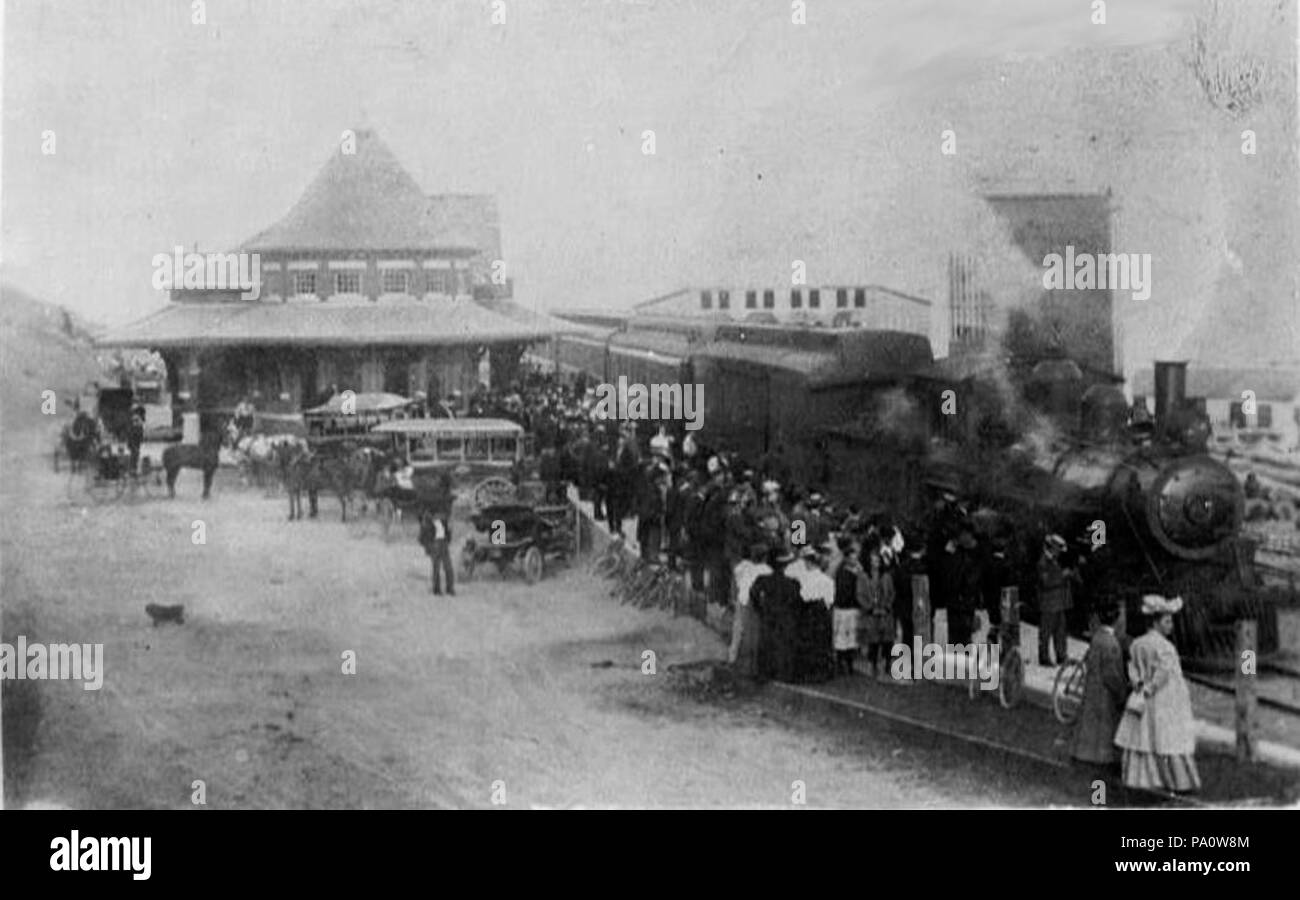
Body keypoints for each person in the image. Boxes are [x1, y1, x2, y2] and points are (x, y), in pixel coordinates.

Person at [1113, 595, 1201, 793]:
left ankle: (1141, 778)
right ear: (1156, 622)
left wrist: (1140, 686)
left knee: (1144, 736)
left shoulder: (1137, 644)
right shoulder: (1166, 648)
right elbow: (1164, 673)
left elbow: (1132, 669)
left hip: (1143, 696)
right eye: (1167, 621)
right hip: (1165, 697)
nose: (1171, 625)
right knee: (1167, 738)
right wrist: (1152, 687)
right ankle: (1176, 780)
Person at [1071, 601, 1128, 769]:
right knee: (1103, 733)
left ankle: (1085, 753)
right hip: (1105, 698)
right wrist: (1121, 694)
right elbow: (1112, 676)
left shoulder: (1097, 638)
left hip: (1092, 692)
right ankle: (1099, 782)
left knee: (1089, 726)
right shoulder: (1112, 644)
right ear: (1116, 619)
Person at [751, 548, 802, 683]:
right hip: (785, 617)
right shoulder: (793, 583)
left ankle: (765, 673)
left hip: (768, 616)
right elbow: (797, 601)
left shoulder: (762, 580)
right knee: (784, 646)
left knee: (767, 644)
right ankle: (783, 674)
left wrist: (761, 610)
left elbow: (754, 595)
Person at [729, 542, 771, 677]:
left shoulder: (742, 568)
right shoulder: (767, 570)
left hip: (742, 601)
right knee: (755, 635)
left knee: (738, 631)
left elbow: (736, 584)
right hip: (754, 603)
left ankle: (732, 657)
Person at [1037, 534, 1079, 666]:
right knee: (1046, 631)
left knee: (1060, 630)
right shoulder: (1043, 562)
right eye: (1058, 549)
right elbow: (1046, 582)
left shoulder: (1054, 561)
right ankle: (1044, 657)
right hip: (1049, 603)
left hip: (1058, 602)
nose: (1060, 552)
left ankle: (1061, 655)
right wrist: (1063, 575)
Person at [857, 546, 896, 680]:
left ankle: (887, 664)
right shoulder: (863, 576)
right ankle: (873, 665)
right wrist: (869, 608)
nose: (875, 563)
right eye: (873, 561)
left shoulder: (886, 576)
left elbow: (891, 593)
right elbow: (860, 594)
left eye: (877, 561)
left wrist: (886, 606)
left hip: (885, 613)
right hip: (871, 614)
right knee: (873, 641)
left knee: (887, 640)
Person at [832, 539, 863, 675]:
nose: (855, 559)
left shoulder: (853, 572)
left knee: (850, 638)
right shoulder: (843, 573)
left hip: (850, 608)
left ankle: (848, 664)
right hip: (845, 608)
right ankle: (841, 663)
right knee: (843, 637)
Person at [419, 507, 455, 596]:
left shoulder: (443, 520)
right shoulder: (427, 521)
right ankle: (437, 589)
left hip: (443, 543)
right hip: (434, 544)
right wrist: (429, 547)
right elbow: (422, 537)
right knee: (437, 568)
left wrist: (448, 539)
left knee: (448, 567)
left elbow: (448, 531)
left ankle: (449, 588)